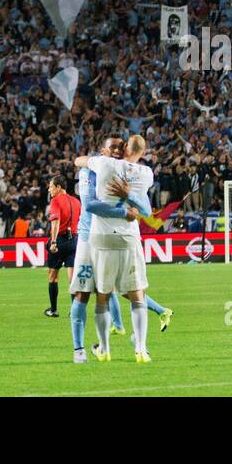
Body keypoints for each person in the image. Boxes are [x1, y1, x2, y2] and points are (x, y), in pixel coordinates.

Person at [76, 134, 155, 363]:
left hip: (100, 237)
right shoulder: (146, 173)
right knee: (137, 294)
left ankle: (104, 349)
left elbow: (80, 161)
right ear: (142, 151)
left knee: (103, 295)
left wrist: (86, 159)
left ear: (125, 148)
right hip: (129, 236)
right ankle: (140, 349)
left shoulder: (104, 163)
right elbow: (148, 213)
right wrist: (129, 194)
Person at [44, 175, 80, 318]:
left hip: (59, 240)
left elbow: (55, 221)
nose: (49, 189)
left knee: (53, 276)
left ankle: (53, 310)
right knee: (72, 278)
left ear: (58, 187)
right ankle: (74, 311)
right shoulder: (77, 201)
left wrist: (53, 242)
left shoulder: (55, 201)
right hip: (74, 241)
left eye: (51, 186)